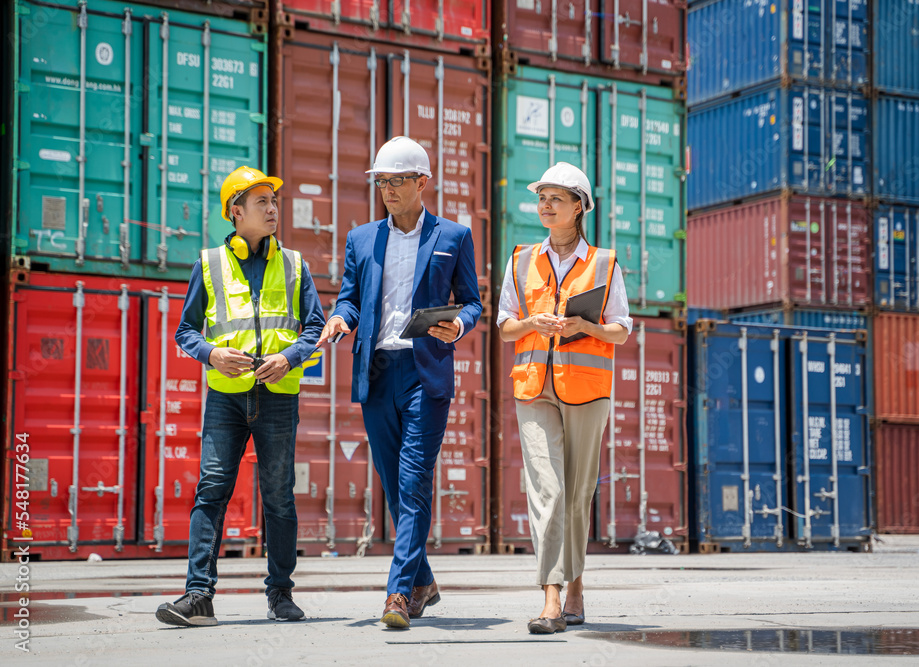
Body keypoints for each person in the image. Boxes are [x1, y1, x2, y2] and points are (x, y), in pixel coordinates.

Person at [317, 136, 482, 629]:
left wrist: (460, 324)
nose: (386, 189)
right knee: (394, 486)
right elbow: (348, 297)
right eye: (381, 181)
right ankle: (425, 581)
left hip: (424, 372)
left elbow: (472, 301)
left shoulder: (453, 236)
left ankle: (397, 594)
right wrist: (340, 319)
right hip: (377, 371)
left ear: (422, 182)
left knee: (412, 483)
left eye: (395, 180)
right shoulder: (361, 239)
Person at [157, 166, 326, 627]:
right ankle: (198, 597)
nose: (273, 210)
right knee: (211, 490)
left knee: (278, 497)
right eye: (262, 203)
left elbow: (314, 327)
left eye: (274, 202)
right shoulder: (208, 264)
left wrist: (289, 359)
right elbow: (185, 331)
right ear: (236, 212)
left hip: (277, 397)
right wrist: (212, 355)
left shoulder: (295, 264)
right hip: (226, 399)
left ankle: (281, 595)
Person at [497, 162, 632, 634]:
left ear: (579, 206)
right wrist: (533, 323)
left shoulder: (604, 263)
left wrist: (585, 326)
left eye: (556, 198)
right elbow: (504, 326)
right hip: (534, 388)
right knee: (547, 489)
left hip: (587, 391)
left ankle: (576, 587)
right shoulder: (519, 260)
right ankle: (551, 597)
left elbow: (621, 330)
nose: (546, 205)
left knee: (578, 494)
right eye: (542, 198)